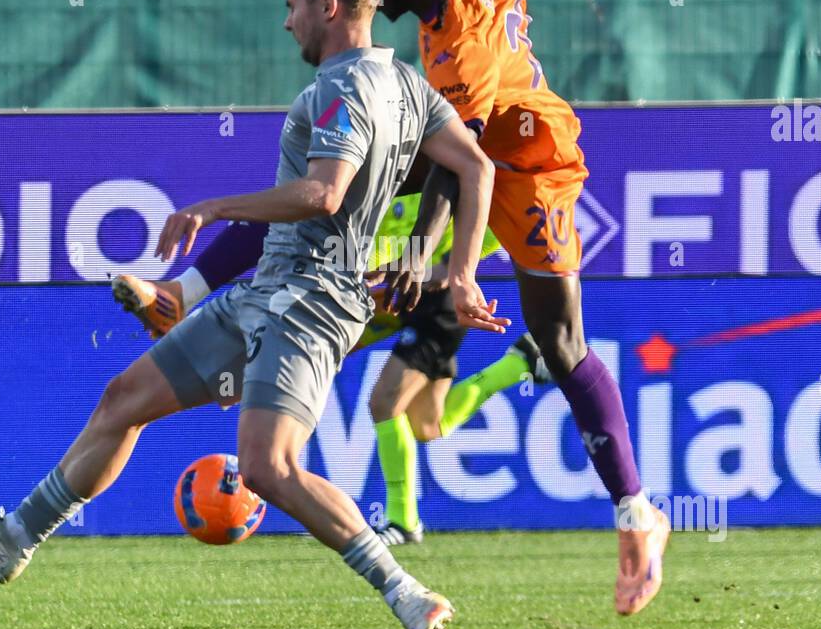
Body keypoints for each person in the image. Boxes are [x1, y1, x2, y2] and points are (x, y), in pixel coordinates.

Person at [0, 0, 507, 629]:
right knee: (124, 400)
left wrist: (213, 207)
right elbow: (476, 166)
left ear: (328, 7)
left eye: (292, 6)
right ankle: (15, 535)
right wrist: (463, 271)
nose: (285, 21)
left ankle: (404, 588)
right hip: (272, 291)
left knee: (269, 466)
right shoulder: (409, 86)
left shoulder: (341, 87)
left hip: (312, 305)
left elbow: (323, 194)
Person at [355, 0, 671, 616]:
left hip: (530, 161)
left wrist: (417, 252)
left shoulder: (460, 38)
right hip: (481, 156)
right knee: (357, 166)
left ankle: (636, 513)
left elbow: (453, 165)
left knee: (562, 344)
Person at [112, 195, 551, 548]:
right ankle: (518, 364)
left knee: (384, 403)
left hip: (432, 296)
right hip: (372, 286)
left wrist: (402, 272)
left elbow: (455, 267)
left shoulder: (497, 204)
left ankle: (403, 520)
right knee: (428, 425)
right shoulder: (424, 162)